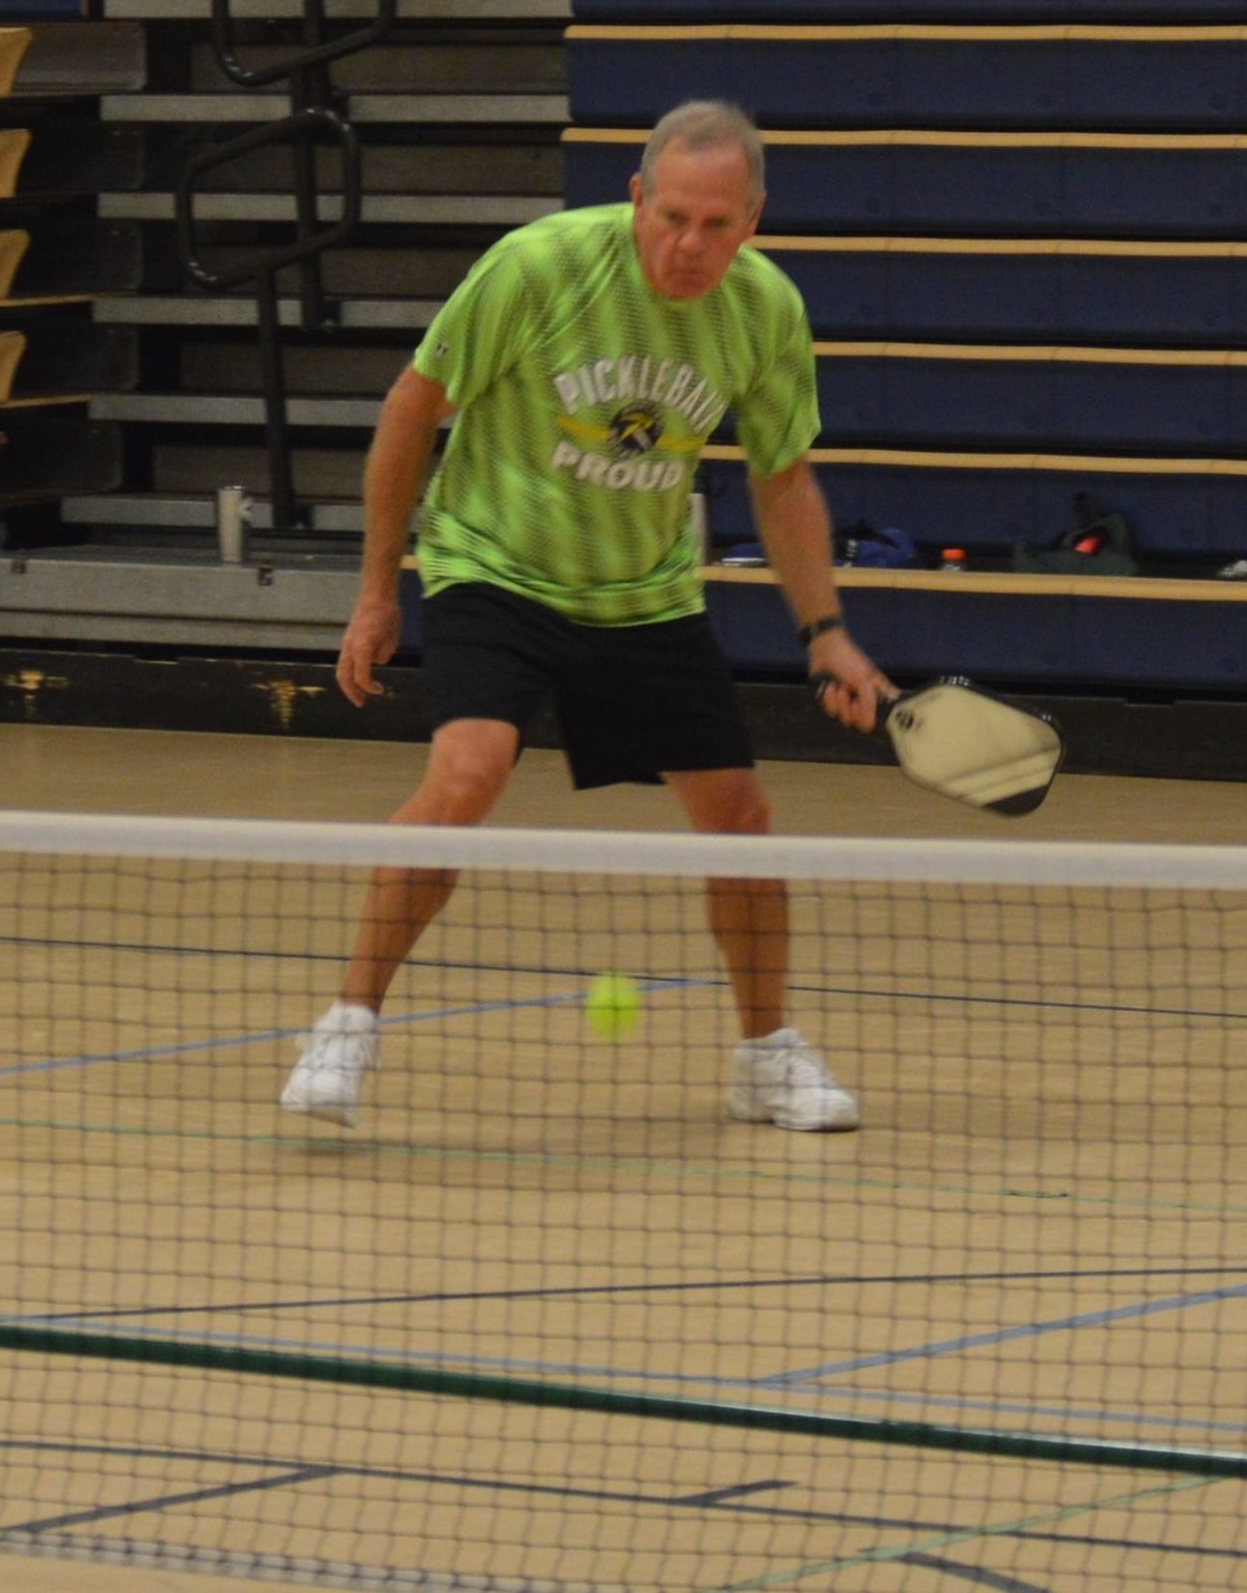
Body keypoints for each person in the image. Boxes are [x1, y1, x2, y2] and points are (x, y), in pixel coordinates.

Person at [279, 99, 893, 1132]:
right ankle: (346, 1024)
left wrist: (824, 630)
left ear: (752, 221)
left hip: (642, 592)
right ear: (638, 197)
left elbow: (783, 477)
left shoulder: (765, 310)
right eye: (673, 216)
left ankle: (765, 1057)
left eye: (717, 224)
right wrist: (378, 590)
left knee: (741, 820)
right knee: (467, 775)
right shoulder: (538, 268)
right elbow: (411, 408)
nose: (689, 244)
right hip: (496, 565)